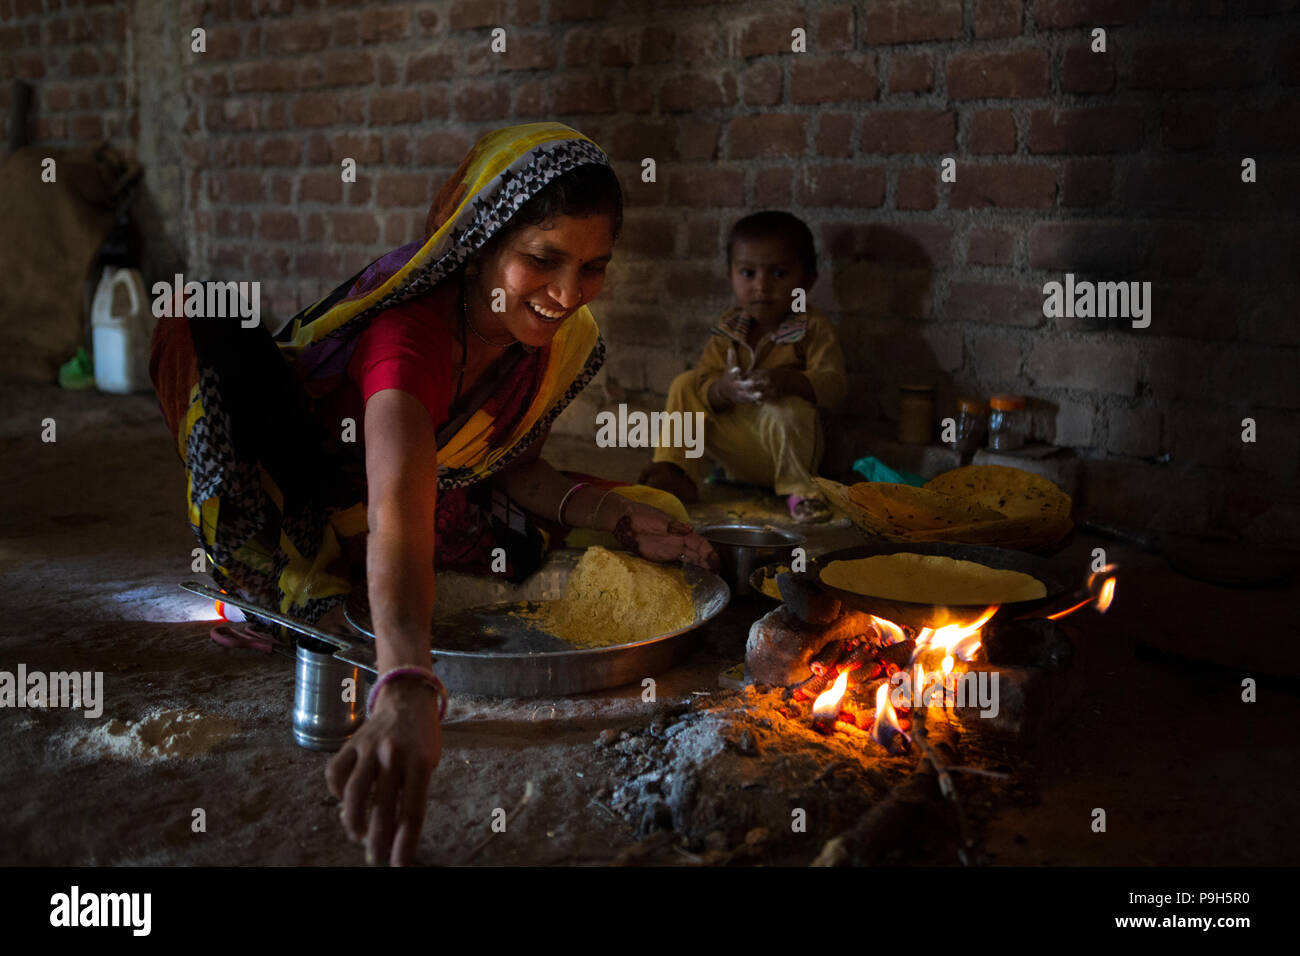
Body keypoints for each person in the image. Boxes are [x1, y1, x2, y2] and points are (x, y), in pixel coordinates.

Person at [149, 122, 717, 865]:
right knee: (341, 584)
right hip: (318, 501)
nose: (568, 294)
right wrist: (408, 682)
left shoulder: (545, 340)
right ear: (480, 241)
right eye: (542, 260)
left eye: (593, 268)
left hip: (430, 495)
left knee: (654, 515)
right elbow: (396, 517)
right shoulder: (409, 341)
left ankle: (378, 602)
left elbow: (514, 468)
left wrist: (616, 511)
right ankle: (310, 593)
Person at [638, 211, 847, 523]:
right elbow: (706, 382)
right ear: (730, 274)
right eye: (748, 273)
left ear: (807, 279)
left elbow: (834, 386)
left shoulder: (812, 327)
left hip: (790, 454)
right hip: (738, 453)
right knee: (686, 383)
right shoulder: (728, 327)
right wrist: (723, 389)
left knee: (785, 410)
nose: (761, 286)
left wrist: (788, 381)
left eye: (779, 274)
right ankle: (676, 472)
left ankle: (803, 494)